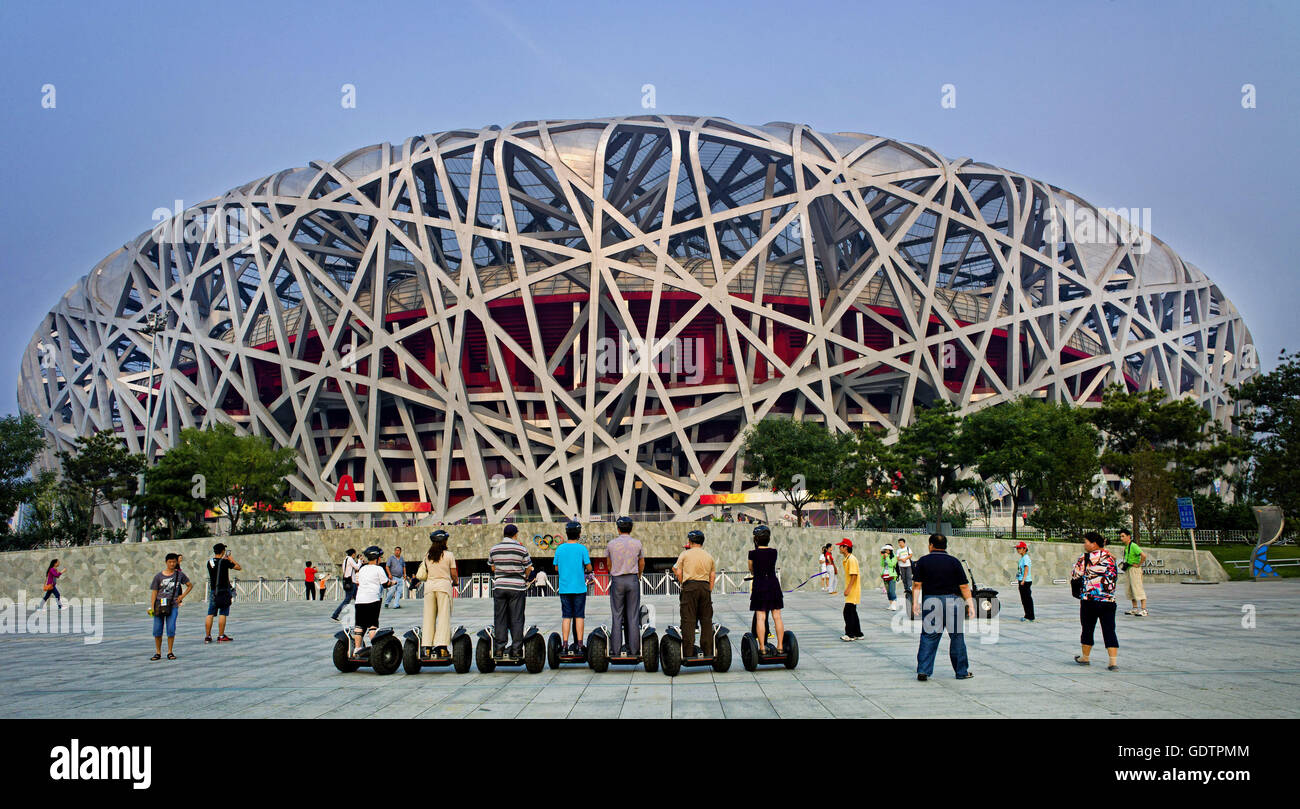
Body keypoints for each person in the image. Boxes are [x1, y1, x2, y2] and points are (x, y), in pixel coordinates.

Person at [911, 534, 974, 681]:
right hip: (953, 601)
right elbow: (964, 586)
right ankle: (962, 672)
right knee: (957, 637)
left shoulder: (923, 561)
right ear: (945, 545)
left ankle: (923, 671)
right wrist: (970, 604)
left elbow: (917, 585)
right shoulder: (954, 562)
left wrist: (915, 603)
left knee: (928, 636)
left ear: (931, 545)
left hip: (931, 601)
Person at [1071, 531, 1120, 671]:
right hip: (1108, 600)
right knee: (1110, 630)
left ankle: (1085, 657)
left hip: (1089, 600)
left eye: (1086, 542)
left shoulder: (1085, 558)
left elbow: (1075, 574)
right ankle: (1112, 662)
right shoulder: (1110, 557)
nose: (1084, 544)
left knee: (1087, 628)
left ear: (1093, 544)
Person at [488, 524, 533, 658]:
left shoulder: (494, 549)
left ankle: (500, 649)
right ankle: (516, 649)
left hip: (500, 586)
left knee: (500, 617)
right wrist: (524, 576)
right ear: (515, 534)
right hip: (516, 587)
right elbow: (529, 568)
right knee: (517, 618)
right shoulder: (521, 548)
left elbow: (492, 568)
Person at [672, 529, 717, 658]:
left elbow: (678, 572)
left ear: (690, 541)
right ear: (702, 542)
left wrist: (683, 584)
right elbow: (712, 575)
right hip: (705, 587)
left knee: (688, 620)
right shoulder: (709, 556)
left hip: (689, 587)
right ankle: (708, 651)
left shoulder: (685, 554)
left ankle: (688, 652)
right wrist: (709, 589)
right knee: (706, 620)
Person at [606, 516, 645, 657]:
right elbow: (641, 563)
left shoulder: (611, 544)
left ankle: (615, 650)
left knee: (617, 615)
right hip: (632, 580)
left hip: (617, 580)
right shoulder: (637, 543)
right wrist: (638, 576)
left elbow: (609, 564)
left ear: (618, 528)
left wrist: (614, 573)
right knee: (633, 616)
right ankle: (634, 650)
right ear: (631, 528)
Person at [415, 530, 457, 658]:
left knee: (428, 617)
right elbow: (454, 574)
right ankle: (441, 647)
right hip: (443, 586)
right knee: (443, 617)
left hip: (429, 587)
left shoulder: (428, 555)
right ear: (444, 541)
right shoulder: (449, 555)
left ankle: (427, 647)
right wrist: (455, 581)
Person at [554, 521, 593, 654]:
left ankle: (564, 645)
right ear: (579, 534)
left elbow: (556, 567)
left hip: (565, 588)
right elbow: (589, 567)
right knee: (579, 616)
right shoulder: (582, 549)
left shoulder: (560, 549)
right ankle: (580, 645)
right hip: (579, 588)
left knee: (566, 616)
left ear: (566, 534)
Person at [149, 553, 193, 661]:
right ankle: (158, 652)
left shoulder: (179, 575)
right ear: (166, 562)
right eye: (170, 562)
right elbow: (154, 592)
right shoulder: (158, 576)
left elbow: (189, 585)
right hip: (159, 605)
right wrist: (152, 606)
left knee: (171, 628)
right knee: (157, 629)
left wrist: (182, 596)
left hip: (172, 605)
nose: (172, 564)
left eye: (174, 562)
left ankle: (170, 651)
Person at [748, 524, 785, 652]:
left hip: (760, 585)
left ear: (756, 539)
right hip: (773, 585)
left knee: (760, 617)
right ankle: (780, 646)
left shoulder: (752, 554)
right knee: (777, 617)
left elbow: (751, 570)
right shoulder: (774, 552)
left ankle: (762, 647)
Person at [351, 546, 393, 656]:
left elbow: (358, 582)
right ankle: (375, 650)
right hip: (373, 599)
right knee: (372, 625)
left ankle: (357, 649)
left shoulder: (362, 568)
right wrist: (393, 583)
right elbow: (385, 584)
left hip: (359, 600)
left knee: (359, 625)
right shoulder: (378, 569)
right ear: (377, 558)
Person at [204, 543, 240, 643]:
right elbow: (238, 567)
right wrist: (230, 558)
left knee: (210, 613)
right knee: (223, 613)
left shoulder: (209, 562)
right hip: (224, 590)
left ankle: (208, 636)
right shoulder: (224, 562)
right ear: (223, 551)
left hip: (213, 590)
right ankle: (220, 635)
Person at [837, 539, 863, 641]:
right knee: (852, 612)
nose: (839, 548)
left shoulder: (851, 559)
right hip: (852, 589)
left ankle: (850, 634)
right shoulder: (848, 559)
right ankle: (858, 633)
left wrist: (848, 589)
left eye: (841, 546)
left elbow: (854, 575)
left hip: (853, 589)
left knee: (847, 612)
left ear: (846, 547)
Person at [1119, 529, 1148, 617]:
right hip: (1128, 568)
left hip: (1134, 569)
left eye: (1123, 536)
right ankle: (1135, 608)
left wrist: (1139, 564)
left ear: (1129, 537)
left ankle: (1144, 609)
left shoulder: (1133, 546)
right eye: (1120, 536)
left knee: (1137, 587)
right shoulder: (1127, 546)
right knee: (1130, 588)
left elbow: (1143, 555)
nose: (1121, 538)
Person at [330, 549, 361, 622]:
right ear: (353, 554)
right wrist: (359, 560)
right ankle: (335, 615)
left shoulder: (345, 560)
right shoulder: (350, 559)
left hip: (347, 581)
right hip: (351, 583)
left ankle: (360, 615)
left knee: (357, 599)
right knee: (347, 600)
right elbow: (357, 567)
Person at [1015, 541, 1035, 621]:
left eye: (1019, 548)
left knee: (1027, 599)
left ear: (1024, 549)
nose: (1018, 550)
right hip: (1022, 580)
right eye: (1017, 548)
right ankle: (1027, 614)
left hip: (1025, 581)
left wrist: (1023, 580)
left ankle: (1030, 616)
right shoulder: (1022, 558)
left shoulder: (1026, 558)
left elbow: (1026, 569)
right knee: (1024, 599)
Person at [896, 538, 914, 616]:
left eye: (901, 542)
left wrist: (905, 558)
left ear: (904, 543)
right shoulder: (898, 550)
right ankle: (906, 588)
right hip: (901, 565)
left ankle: (909, 587)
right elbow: (897, 558)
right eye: (899, 543)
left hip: (908, 565)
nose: (900, 544)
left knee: (908, 577)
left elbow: (910, 555)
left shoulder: (907, 548)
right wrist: (901, 559)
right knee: (903, 577)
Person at [880, 544, 899, 610]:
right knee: (888, 592)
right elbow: (882, 564)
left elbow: (891, 564)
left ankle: (894, 605)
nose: (885, 551)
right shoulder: (885, 556)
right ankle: (891, 605)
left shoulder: (894, 557)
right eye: (884, 550)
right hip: (885, 575)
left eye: (886, 550)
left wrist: (887, 557)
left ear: (890, 550)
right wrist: (883, 557)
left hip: (892, 575)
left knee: (892, 591)